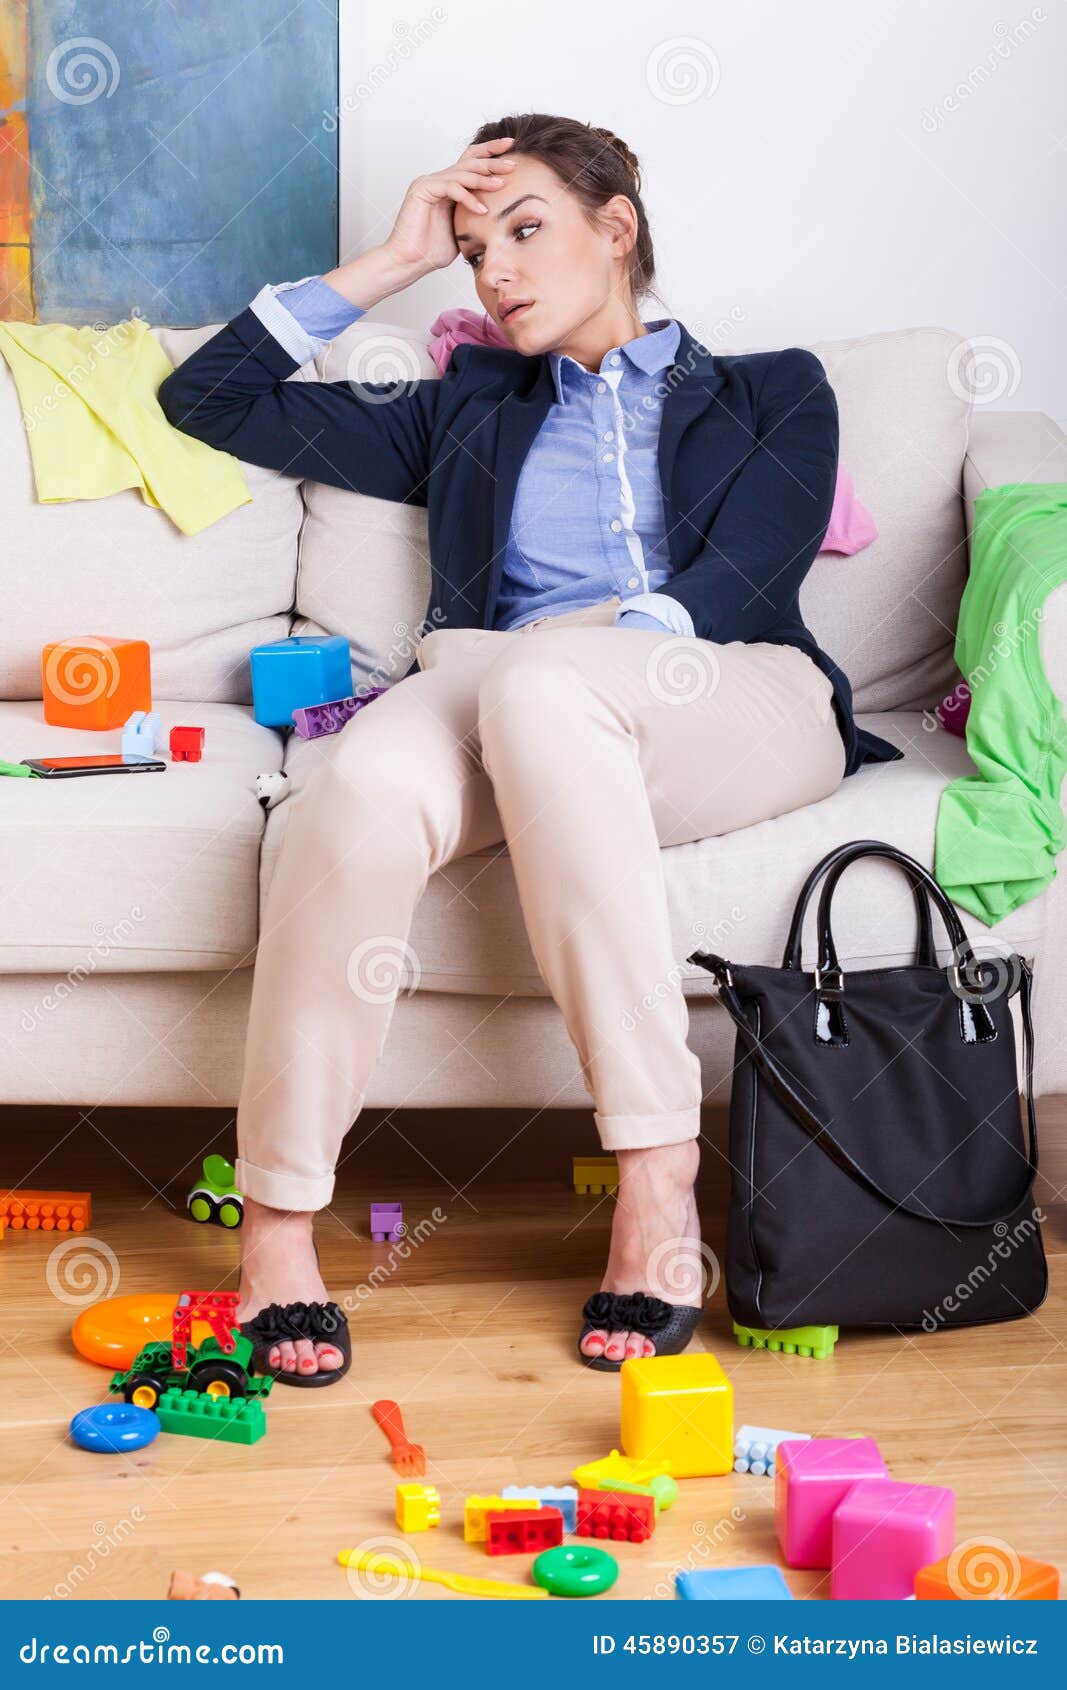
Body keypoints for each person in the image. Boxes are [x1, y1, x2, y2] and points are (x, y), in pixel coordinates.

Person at [158, 111, 901, 1387]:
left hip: (728, 685)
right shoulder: (464, 410)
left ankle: (657, 1168)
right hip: (509, 691)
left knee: (553, 681)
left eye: (523, 230)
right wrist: (391, 261)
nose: (492, 270)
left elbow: (744, 576)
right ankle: (279, 1222)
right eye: (470, 246)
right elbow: (204, 398)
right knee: (355, 795)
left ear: (615, 229)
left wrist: (592, 646)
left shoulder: (776, 387)